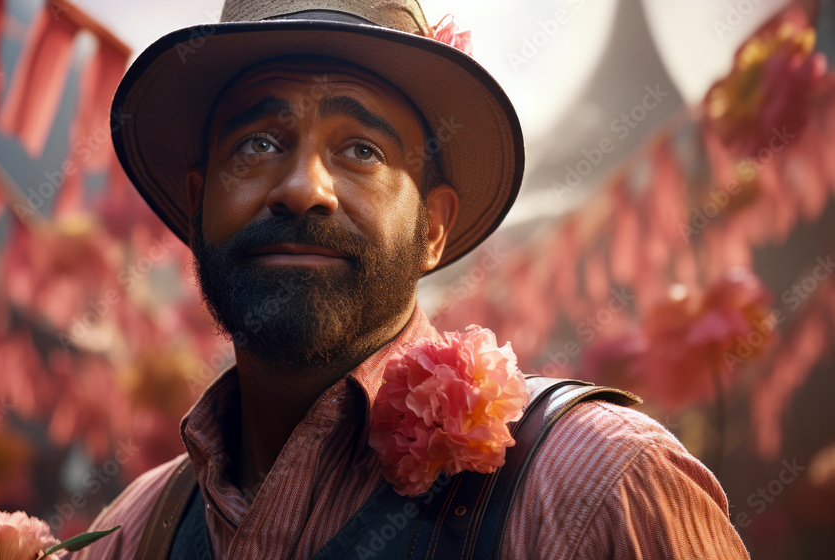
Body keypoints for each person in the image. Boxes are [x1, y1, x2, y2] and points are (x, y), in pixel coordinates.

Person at [71, 1, 751, 558]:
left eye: (360, 150)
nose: (304, 188)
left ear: (432, 229)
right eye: (257, 143)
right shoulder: (131, 534)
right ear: (196, 209)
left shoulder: (595, 489)